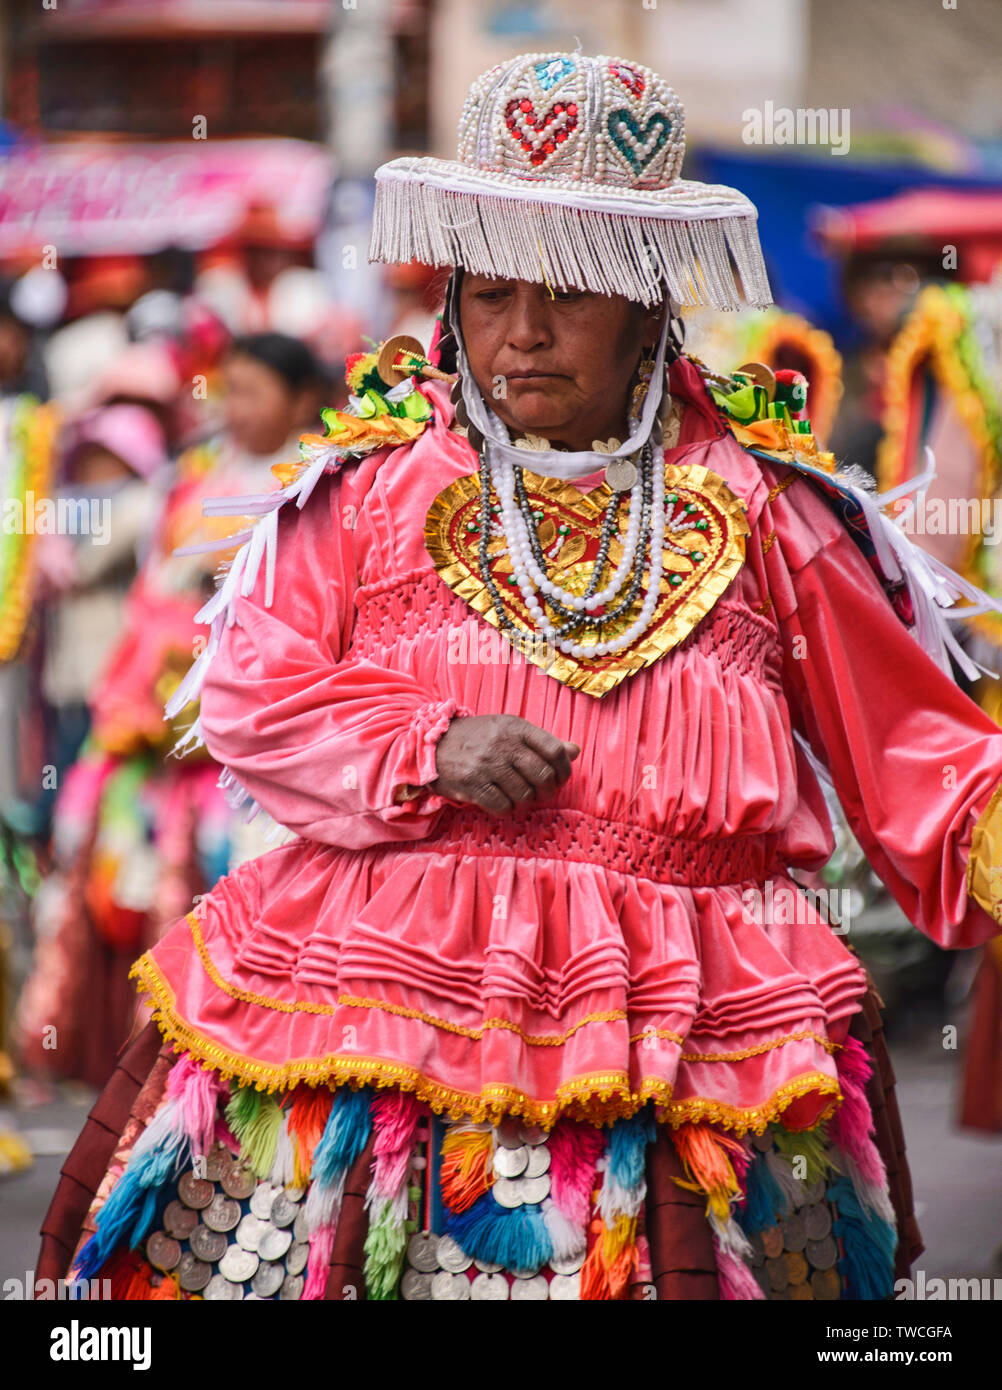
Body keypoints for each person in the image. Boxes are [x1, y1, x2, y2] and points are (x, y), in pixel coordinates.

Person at [38, 52, 1002, 1303]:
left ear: (653, 308)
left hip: (688, 1046)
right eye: (490, 295)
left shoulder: (773, 511)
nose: (523, 333)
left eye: (571, 296)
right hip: (375, 1025)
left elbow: (927, 758)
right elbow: (251, 693)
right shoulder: (370, 490)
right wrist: (427, 744)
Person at [15, 334, 327, 1090]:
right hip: (160, 719)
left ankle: (237, 1052)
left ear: (298, 400)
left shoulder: (319, 484)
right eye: (229, 391)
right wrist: (152, 696)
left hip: (251, 727)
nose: (236, 410)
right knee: (127, 875)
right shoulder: (191, 479)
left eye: (255, 393)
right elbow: (153, 595)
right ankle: (138, 1060)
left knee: (233, 880)